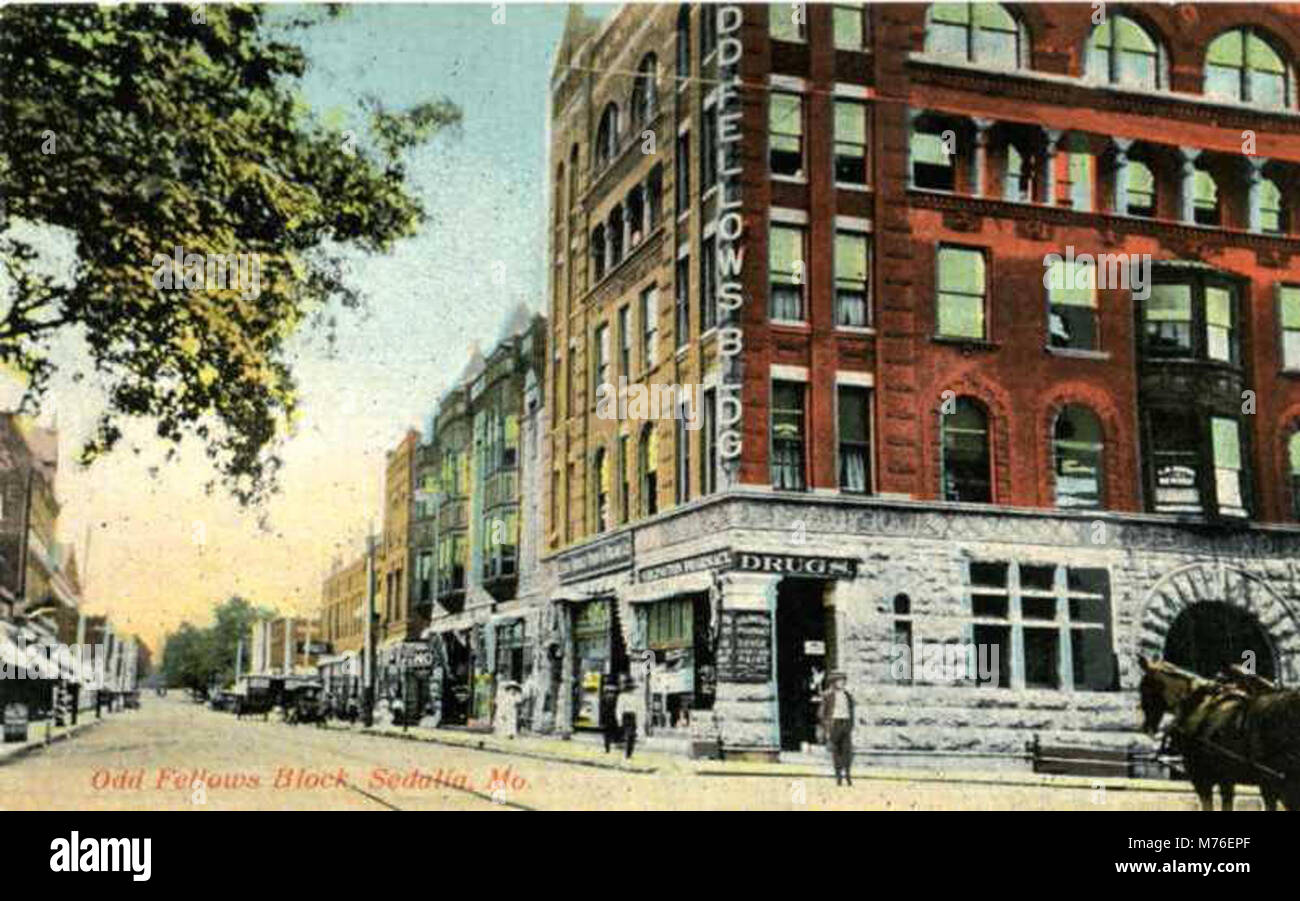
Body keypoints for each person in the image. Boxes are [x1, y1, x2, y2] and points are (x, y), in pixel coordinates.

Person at [819, 671, 856, 786]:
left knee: (847, 751)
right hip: (835, 723)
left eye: (843, 681)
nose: (842, 683)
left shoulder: (848, 695)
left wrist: (851, 725)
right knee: (836, 752)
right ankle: (838, 776)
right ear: (834, 682)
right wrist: (826, 726)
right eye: (839, 681)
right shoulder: (828, 695)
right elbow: (822, 712)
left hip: (845, 723)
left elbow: (851, 710)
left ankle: (848, 774)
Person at [615, 676, 640, 760]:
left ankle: (629, 753)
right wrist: (619, 720)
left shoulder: (635, 697)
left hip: (632, 716)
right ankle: (626, 753)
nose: (631, 690)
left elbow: (638, 709)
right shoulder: (622, 696)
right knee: (628, 735)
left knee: (632, 736)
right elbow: (619, 708)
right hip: (626, 716)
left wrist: (638, 719)